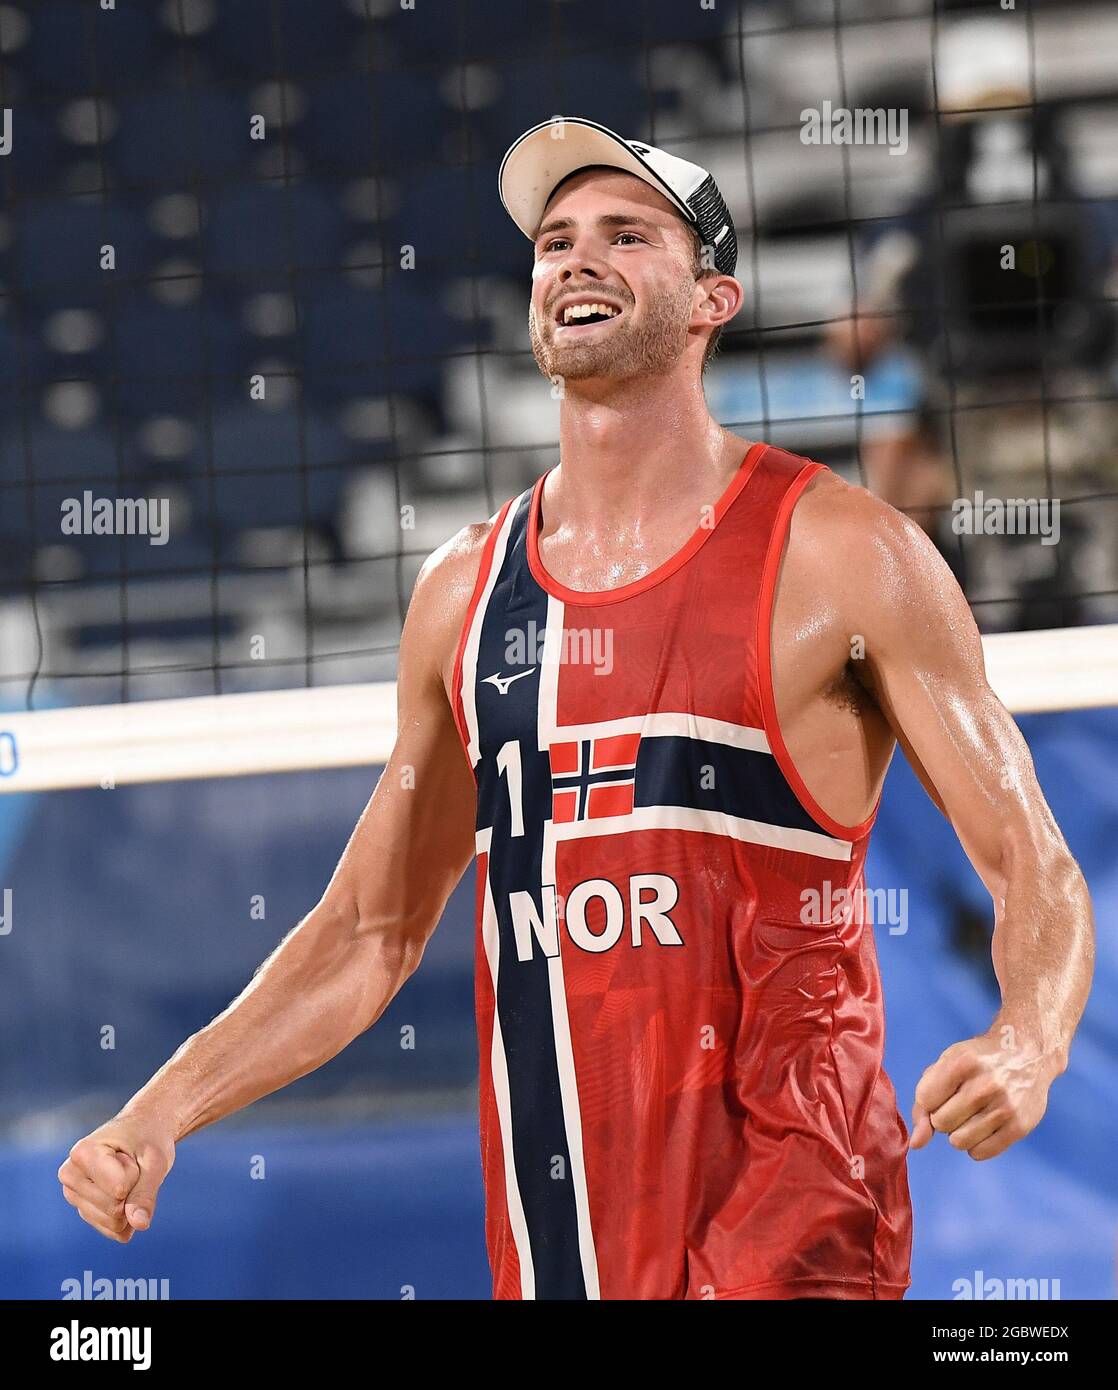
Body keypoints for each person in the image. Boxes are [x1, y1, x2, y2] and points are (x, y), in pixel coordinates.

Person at [58, 118, 1094, 1301]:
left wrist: (1028, 1037)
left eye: (624, 234)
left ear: (712, 297)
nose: (575, 259)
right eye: (554, 241)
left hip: (795, 1222)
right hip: (565, 1239)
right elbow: (370, 931)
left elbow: (1032, 865)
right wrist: (161, 1110)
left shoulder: (844, 555)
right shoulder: (464, 590)